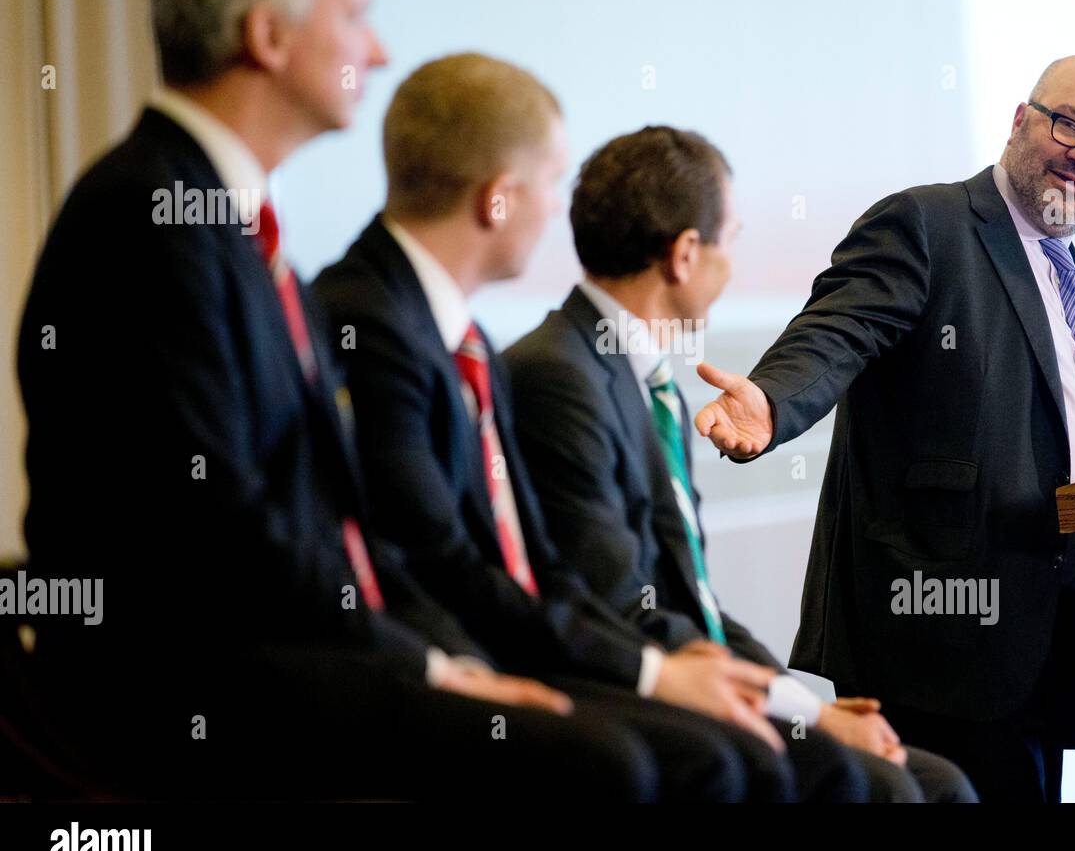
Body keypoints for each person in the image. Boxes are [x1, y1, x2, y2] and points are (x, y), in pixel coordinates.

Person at [15, 0, 671, 803]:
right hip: (189, 687)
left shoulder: (237, 231)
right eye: (356, 14)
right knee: (613, 767)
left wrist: (430, 650)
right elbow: (220, 532)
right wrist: (426, 664)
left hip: (286, 654)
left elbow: (339, 528)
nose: (380, 49)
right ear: (268, 37)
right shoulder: (147, 218)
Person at [314, 54, 869, 802]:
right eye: (550, 184)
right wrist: (663, 675)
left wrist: (779, 693)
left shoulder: (461, 332)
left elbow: (542, 563)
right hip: (435, 665)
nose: (558, 212)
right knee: (731, 762)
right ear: (498, 200)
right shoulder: (385, 324)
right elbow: (444, 561)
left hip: (524, 644)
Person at [692, 56, 1075, 802]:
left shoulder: (1066, 269)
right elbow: (839, 332)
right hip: (937, 642)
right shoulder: (929, 223)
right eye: (1070, 124)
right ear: (1020, 119)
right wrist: (770, 400)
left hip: (1050, 641)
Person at [504, 125, 977, 803]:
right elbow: (618, 603)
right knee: (888, 787)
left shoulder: (636, 377)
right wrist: (805, 713)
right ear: (686, 253)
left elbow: (695, 604)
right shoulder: (559, 375)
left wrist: (809, 705)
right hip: (631, 689)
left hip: (691, 671)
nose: (734, 263)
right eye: (732, 238)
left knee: (940, 783)